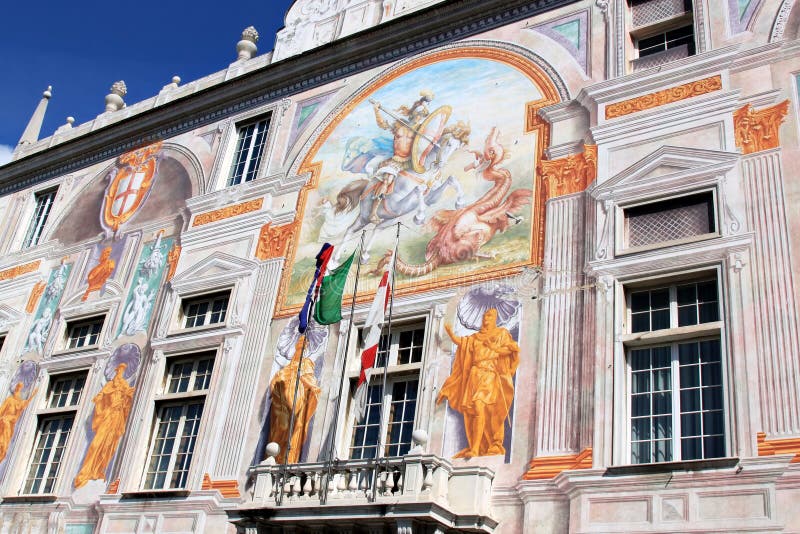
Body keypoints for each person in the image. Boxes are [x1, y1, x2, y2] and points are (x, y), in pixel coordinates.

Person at [436, 308, 520, 458]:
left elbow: (512, 349)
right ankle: (476, 447)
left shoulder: (501, 334)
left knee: (480, 406)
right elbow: (461, 343)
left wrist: (495, 348)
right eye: (485, 315)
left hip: (489, 375)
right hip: (474, 375)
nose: (486, 318)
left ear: (495, 318)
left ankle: (481, 446)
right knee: (474, 410)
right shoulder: (475, 337)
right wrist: (450, 333)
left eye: (489, 315)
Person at [365, 90, 434, 224]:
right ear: (412, 113)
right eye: (417, 114)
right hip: (395, 160)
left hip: (410, 162)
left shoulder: (421, 131)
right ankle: (373, 212)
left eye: (422, 115)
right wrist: (376, 110)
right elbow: (383, 125)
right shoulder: (399, 124)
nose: (418, 117)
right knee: (387, 180)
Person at [74, 363, 135, 488]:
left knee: (109, 446)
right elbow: (101, 395)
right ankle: (87, 470)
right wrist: (99, 398)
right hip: (107, 416)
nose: (119, 374)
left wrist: (126, 396)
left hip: (116, 418)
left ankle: (99, 470)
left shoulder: (124, 385)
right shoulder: (109, 385)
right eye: (118, 371)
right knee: (96, 443)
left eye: (122, 372)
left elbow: (128, 397)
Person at [267, 336, 321, 464]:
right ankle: (276, 458)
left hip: (298, 398)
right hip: (282, 401)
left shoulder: (307, 364)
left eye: (304, 346)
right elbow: (275, 382)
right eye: (299, 346)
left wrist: (311, 386)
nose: (301, 349)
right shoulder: (286, 368)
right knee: (281, 427)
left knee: (295, 427)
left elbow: (310, 380)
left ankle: (289, 459)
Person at [0, 383, 37, 463]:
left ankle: (2, 452)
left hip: (10, 425)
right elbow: (1, 411)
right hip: (4, 422)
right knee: (2, 440)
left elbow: (23, 405)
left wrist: (32, 395)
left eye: (20, 388)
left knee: (5, 442)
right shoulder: (9, 399)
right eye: (18, 388)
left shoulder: (19, 402)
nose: (18, 390)